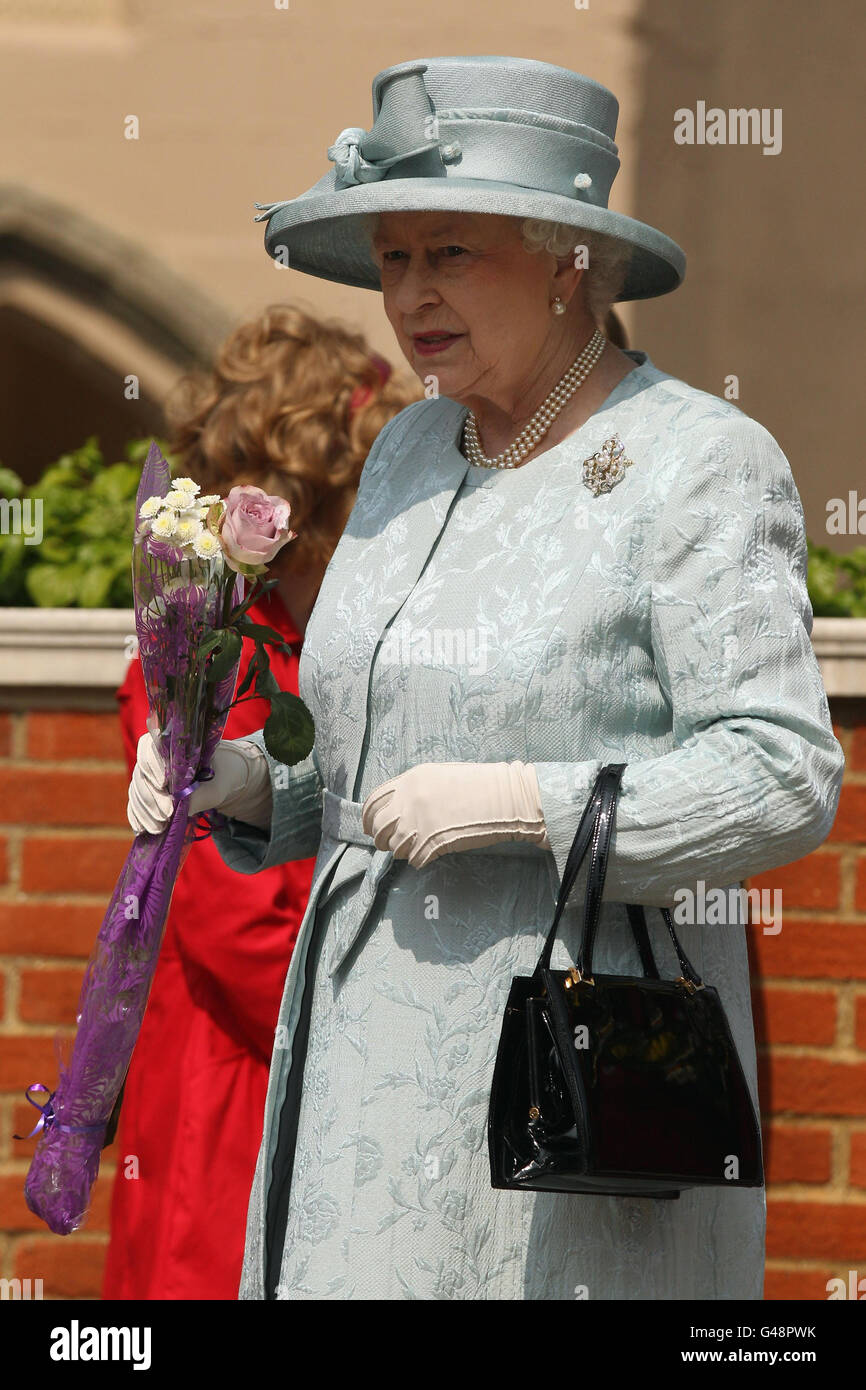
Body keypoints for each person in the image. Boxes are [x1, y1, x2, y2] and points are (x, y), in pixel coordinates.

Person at [127, 57, 844, 1300]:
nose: (408, 296)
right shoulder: (408, 447)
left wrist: (529, 801)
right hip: (353, 1066)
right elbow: (358, 775)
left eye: (448, 253)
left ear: (567, 255)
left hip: (564, 1095)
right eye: (394, 258)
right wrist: (237, 779)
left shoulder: (699, 463)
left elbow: (782, 775)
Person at [105, 303, 419, 1299]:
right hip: (244, 1082)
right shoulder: (202, 658)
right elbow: (233, 928)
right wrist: (403, 1040)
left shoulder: (356, 637)